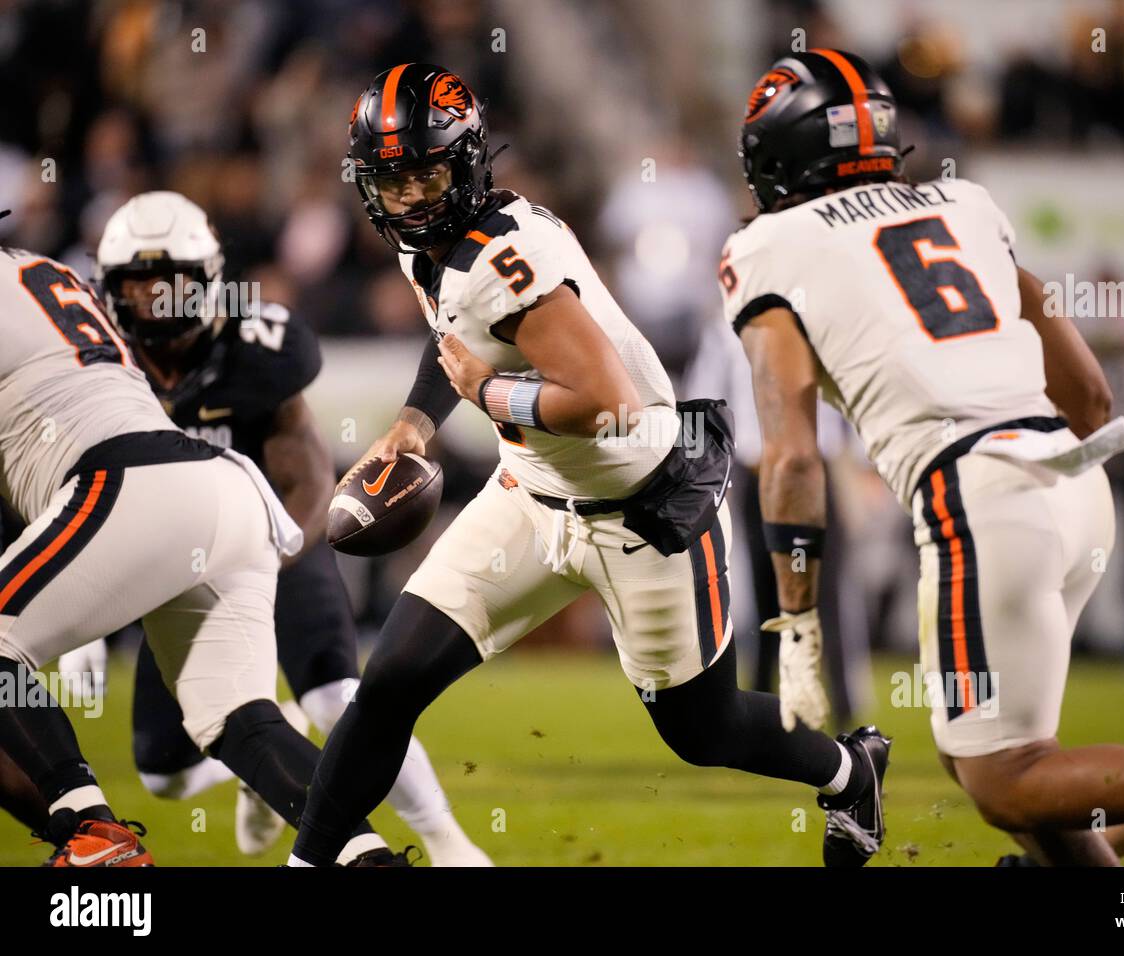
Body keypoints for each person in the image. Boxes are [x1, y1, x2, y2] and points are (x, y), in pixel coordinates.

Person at [287, 64, 889, 869]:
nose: (412, 197)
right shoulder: (430, 246)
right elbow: (453, 342)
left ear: (465, 163)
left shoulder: (503, 258)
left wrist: (493, 398)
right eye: (393, 180)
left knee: (702, 731)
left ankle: (849, 770)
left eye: (429, 172)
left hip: (643, 511)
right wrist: (413, 425)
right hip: (534, 499)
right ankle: (312, 861)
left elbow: (610, 399)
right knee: (391, 676)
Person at [722, 48, 1124, 865]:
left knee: (1006, 778)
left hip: (978, 494)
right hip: (1068, 479)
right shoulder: (962, 203)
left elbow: (790, 461)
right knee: (991, 765)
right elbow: (1091, 397)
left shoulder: (769, 246)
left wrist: (799, 620)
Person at [49, 190, 487, 865]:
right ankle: (261, 745)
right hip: (170, 572)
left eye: (169, 283)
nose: (154, 302)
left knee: (340, 699)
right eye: (137, 286)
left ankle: (446, 840)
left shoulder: (256, 347)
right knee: (163, 771)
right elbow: (73, 487)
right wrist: (81, 619)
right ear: (110, 291)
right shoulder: (99, 366)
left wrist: (263, 561)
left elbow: (309, 477)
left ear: (207, 281)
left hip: (277, 539)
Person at [0, 241, 402, 865]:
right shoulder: (38, 270)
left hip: (124, 484)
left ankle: (94, 839)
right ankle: (366, 858)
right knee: (240, 720)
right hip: (224, 489)